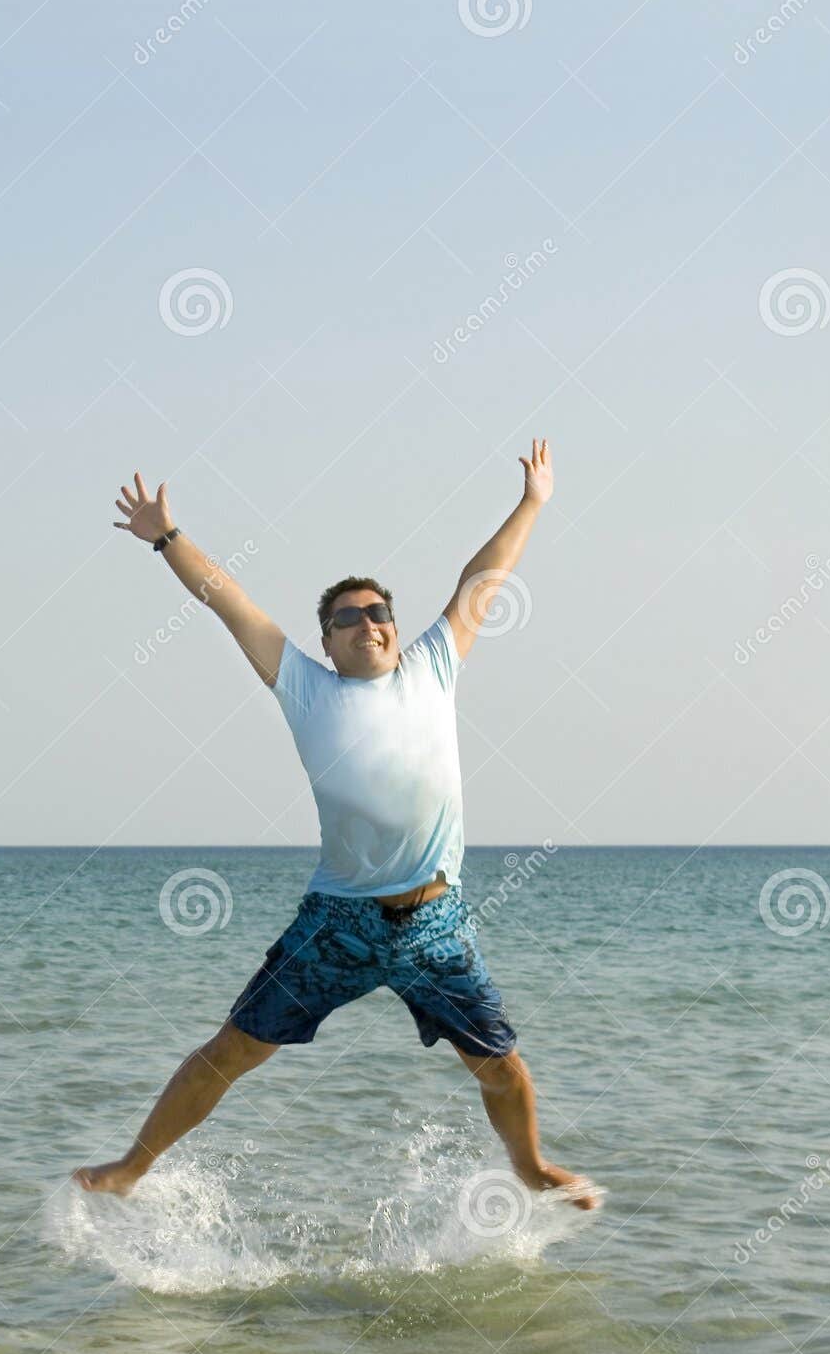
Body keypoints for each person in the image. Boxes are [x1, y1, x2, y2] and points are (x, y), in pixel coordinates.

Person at [74, 442, 596, 1209]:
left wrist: (533, 502)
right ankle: (130, 1167)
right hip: (337, 923)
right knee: (234, 1049)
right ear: (325, 641)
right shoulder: (303, 687)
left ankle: (530, 1167)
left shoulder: (435, 665)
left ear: (394, 623)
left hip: (434, 919)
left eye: (376, 612)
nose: (366, 624)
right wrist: (165, 537)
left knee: (500, 1063)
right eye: (346, 618)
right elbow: (227, 599)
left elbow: (484, 578)